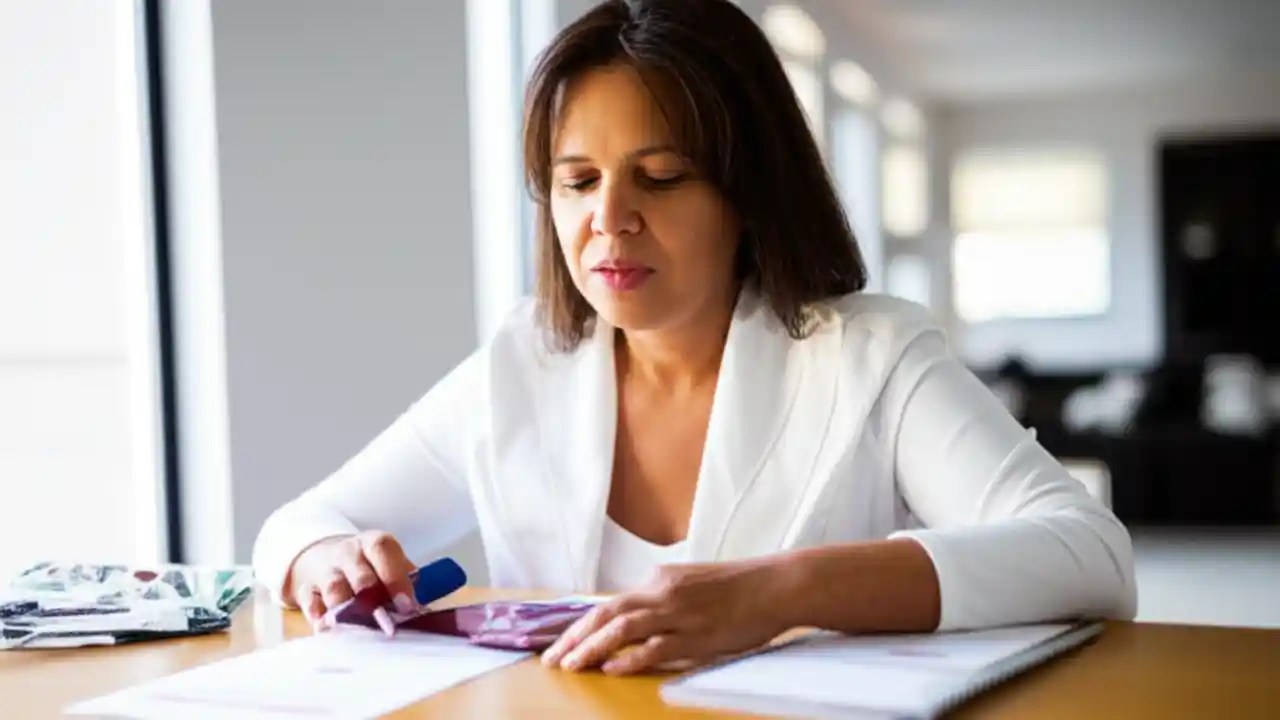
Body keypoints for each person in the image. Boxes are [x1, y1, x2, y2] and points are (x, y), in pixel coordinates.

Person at [252, 0, 1136, 676]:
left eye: (662, 177)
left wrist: (782, 590)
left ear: (749, 193)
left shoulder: (872, 357)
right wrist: (325, 558)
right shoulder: (522, 366)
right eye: (578, 181)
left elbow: (1090, 555)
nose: (609, 220)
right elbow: (294, 527)